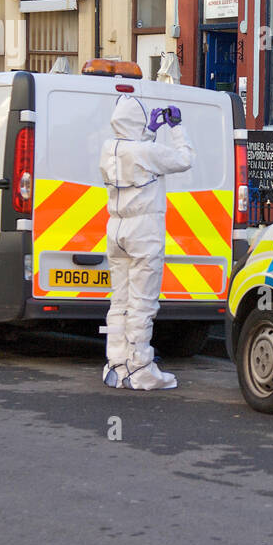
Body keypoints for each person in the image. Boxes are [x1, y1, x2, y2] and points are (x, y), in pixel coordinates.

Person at [99, 96, 194, 390]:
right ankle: (140, 369)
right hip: (144, 231)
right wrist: (176, 128)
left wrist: (149, 131)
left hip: (116, 229)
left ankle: (116, 365)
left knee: (120, 301)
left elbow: (136, 155)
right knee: (142, 304)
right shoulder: (146, 150)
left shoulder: (108, 149)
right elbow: (185, 159)